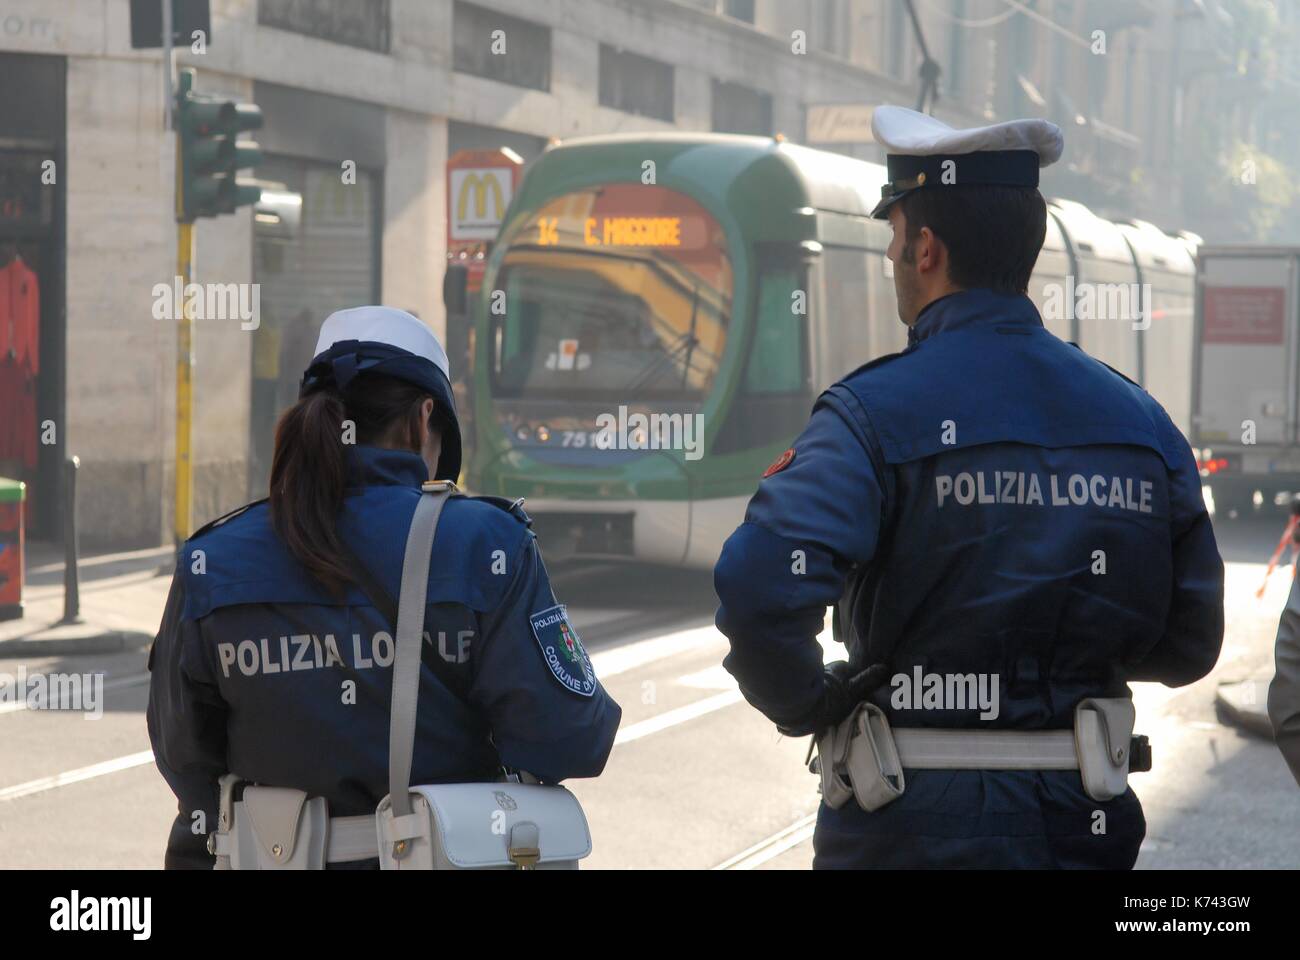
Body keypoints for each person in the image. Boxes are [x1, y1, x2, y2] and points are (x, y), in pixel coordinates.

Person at [713, 106, 1224, 869]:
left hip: (906, 831)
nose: (893, 258)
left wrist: (810, 702)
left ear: (924, 249)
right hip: (1081, 830)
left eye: (894, 241)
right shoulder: (1142, 424)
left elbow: (760, 589)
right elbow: (1189, 642)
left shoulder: (869, 416)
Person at [147, 306, 621, 868]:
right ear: (424, 419)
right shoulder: (485, 542)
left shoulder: (212, 558)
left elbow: (186, 760)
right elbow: (571, 738)